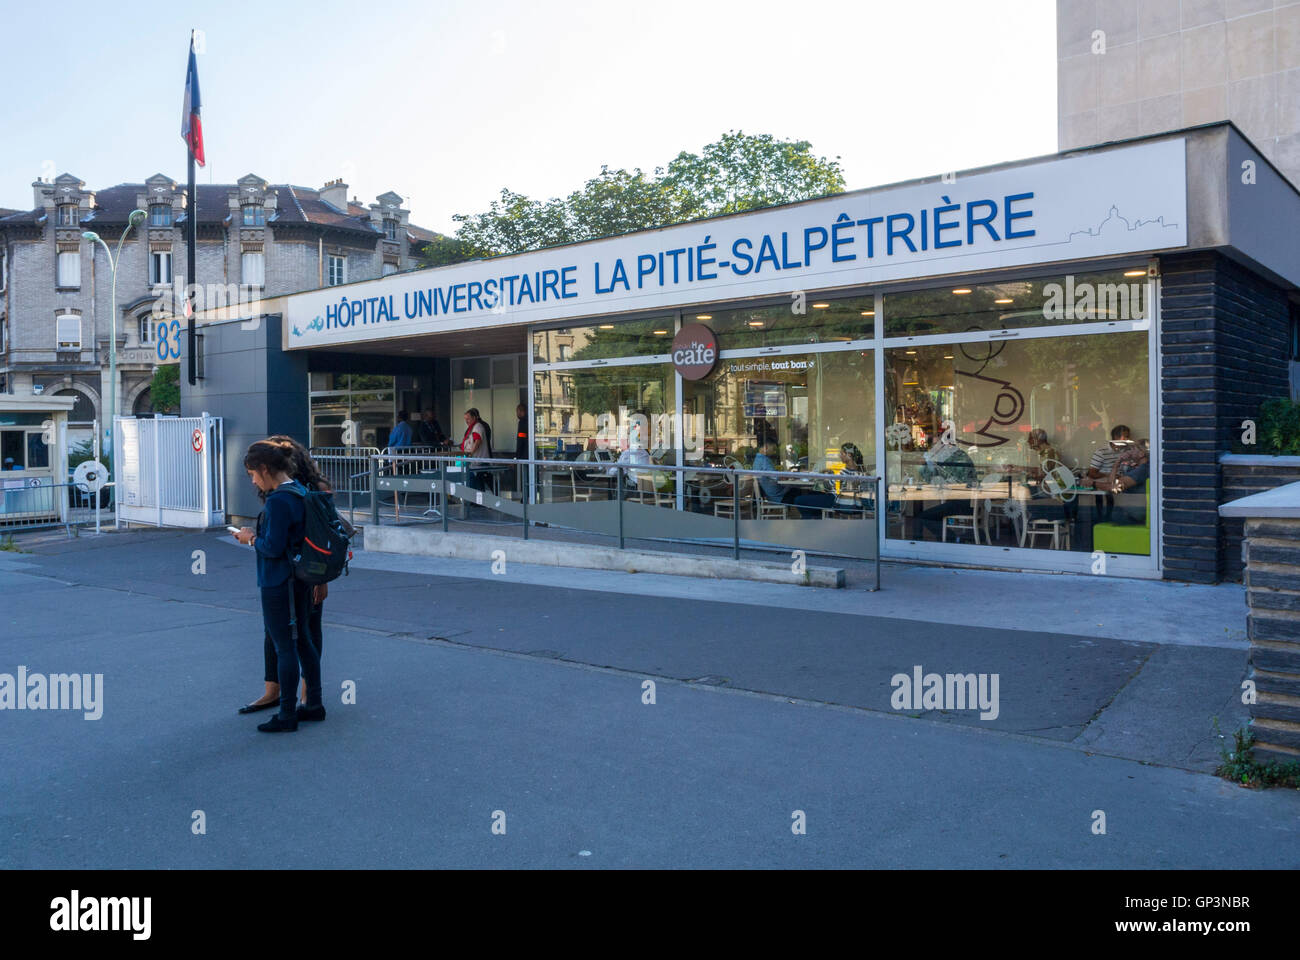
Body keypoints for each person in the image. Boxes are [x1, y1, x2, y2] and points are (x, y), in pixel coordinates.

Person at [233, 441, 324, 732]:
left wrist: (249, 538)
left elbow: (272, 547)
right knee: (306, 642)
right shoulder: (300, 490)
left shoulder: (277, 501)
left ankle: (286, 714)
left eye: (252, 474)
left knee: (285, 646)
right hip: (301, 579)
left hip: (278, 581)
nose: (253, 480)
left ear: (264, 469)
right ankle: (313, 704)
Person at [792, 443, 870, 518]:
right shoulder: (861, 470)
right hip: (855, 503)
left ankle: (811, 523)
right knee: (811, 496)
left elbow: (827, 487)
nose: (840, 456)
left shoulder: (845, 472)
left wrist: (825, 476)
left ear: (849, 455)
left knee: (798, 500)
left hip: (836, 501)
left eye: (842, 454)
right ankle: (817, 519)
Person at [460, 408, 493, 491]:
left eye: (468, 419)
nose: (466, 421)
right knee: (479, 482)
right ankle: (477, 502)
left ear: (474, 418)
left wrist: (470, 453)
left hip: (478, 461)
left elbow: (477, 441)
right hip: (475, 461)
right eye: (465, 419)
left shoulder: (477, 426)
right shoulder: (473, 427)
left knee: (479, 483)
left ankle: (478, 502)